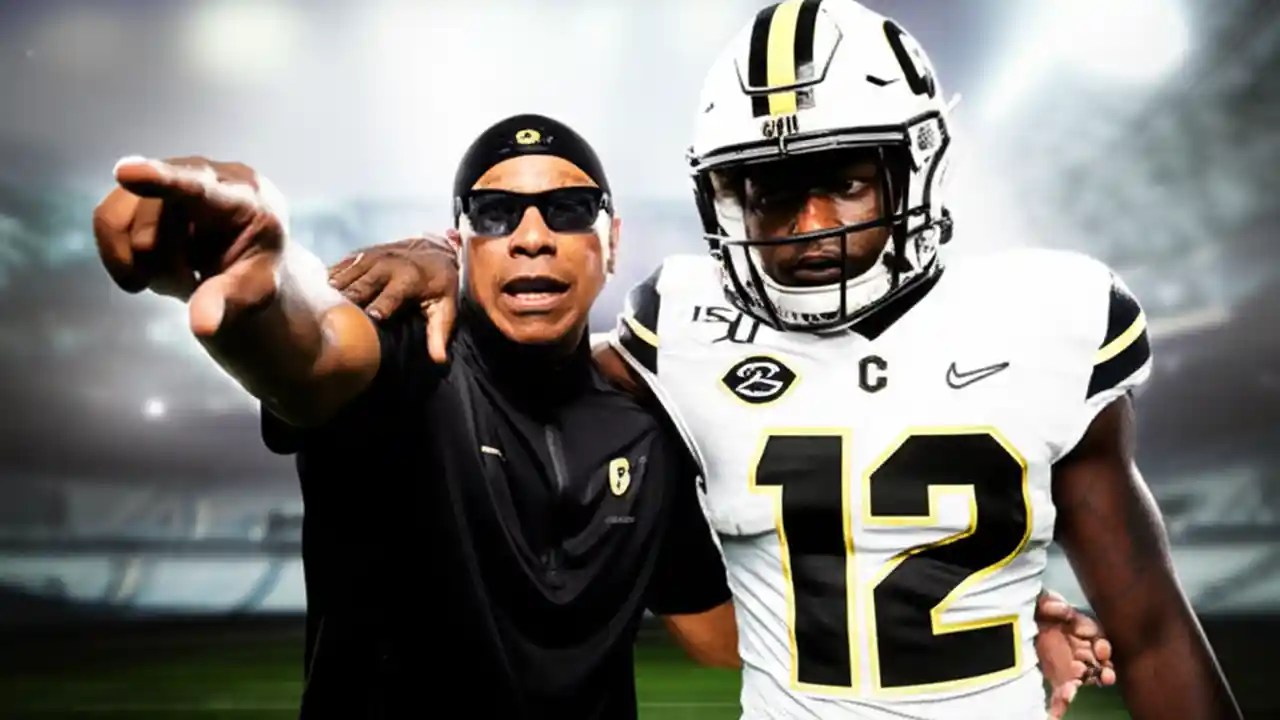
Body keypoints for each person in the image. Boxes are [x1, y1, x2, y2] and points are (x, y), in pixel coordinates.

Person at [325, 1, 1243, 719]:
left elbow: (1153, 627)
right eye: (766, 192)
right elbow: (534, 368)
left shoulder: (1052, 317)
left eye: (842, 182)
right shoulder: (681, 327)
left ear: (911, 164)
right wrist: (444, 257)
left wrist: (995, 605)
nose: (804, 229)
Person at [90, 115, 740, 719]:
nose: (533, 239)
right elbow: (315, 351)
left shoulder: (648, 427)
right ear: (462, 245)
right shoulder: (408, 358)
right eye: (497, 214)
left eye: (569, 210)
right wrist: (262, 288)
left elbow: (718, 637)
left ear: (612, 241)